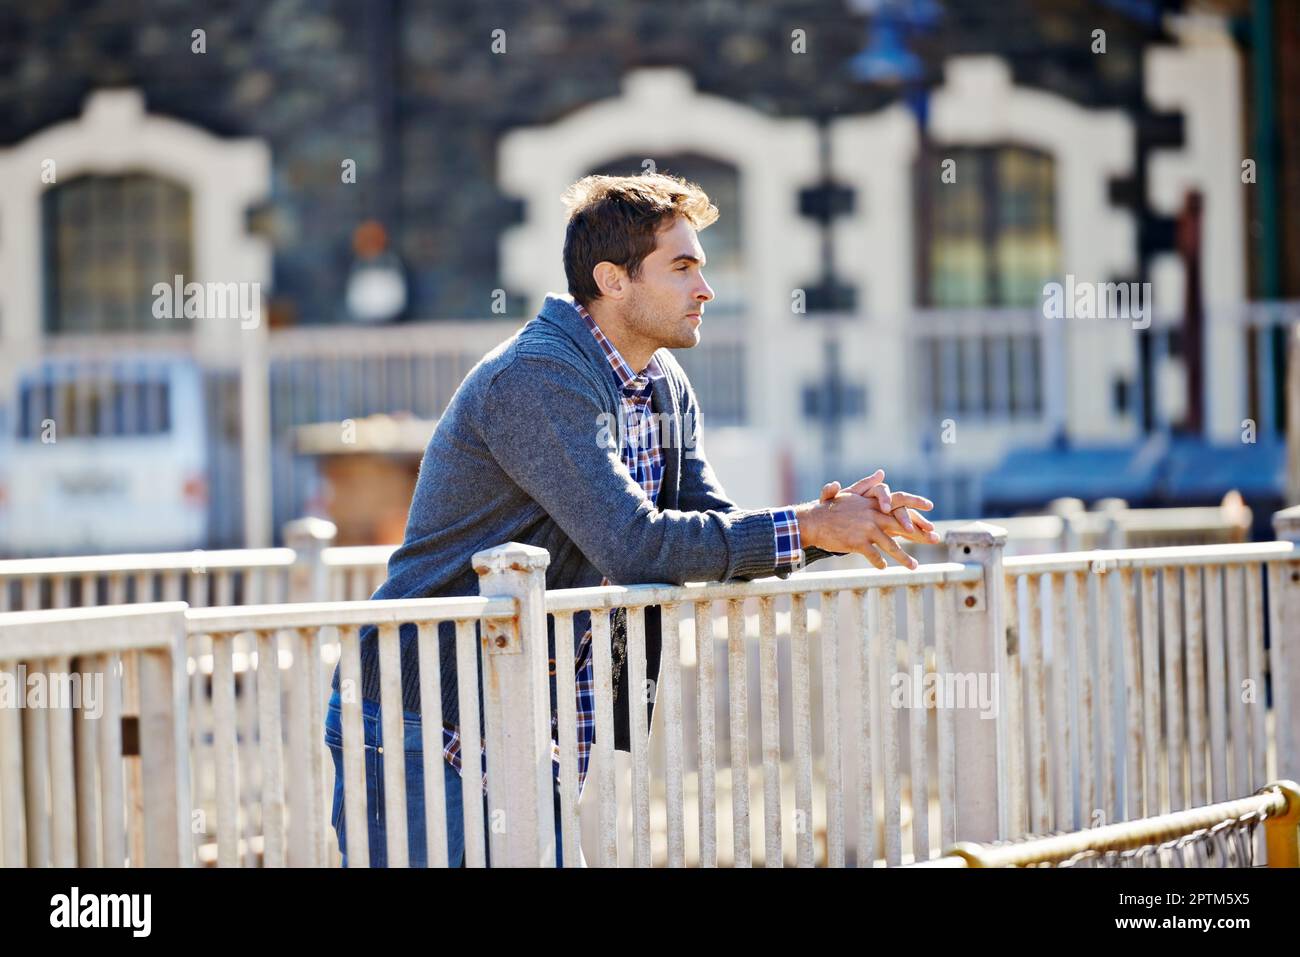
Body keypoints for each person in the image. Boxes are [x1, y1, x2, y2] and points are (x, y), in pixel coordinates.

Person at [324, 172, 939, 867]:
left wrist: (832, 526)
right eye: (681, 268)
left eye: (701, 268)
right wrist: (806, 526)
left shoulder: (661, 384)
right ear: (613, 281)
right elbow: (635, 542)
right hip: (423, 719)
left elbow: (709, 528)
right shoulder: (537, 379)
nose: (705, 289)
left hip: (525, 717)